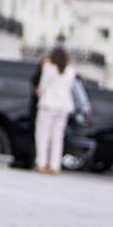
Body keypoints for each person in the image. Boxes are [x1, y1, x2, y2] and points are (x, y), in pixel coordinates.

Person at [34, 46, 76, 174]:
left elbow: (42, 87)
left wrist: (39, 93)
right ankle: (55, 166)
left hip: (48, 105)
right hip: (63, 107)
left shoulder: (49, 69)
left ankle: (41, 163)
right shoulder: (71, 71)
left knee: (43, 135)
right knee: (57, 137)